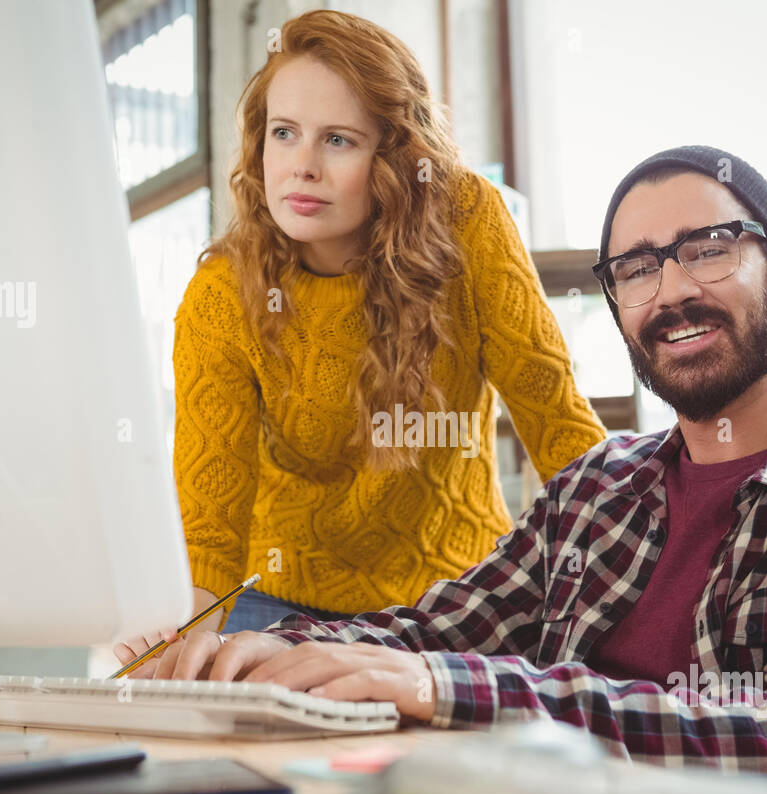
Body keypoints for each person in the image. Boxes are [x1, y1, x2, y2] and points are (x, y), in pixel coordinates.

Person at [120, 145, 767, 794]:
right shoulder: (599, 490)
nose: (670, 289)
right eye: (636, 270)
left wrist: (452, 690)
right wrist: (260, 653)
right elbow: (438, 632)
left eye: (708, 250)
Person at [119, 9, 605, 648]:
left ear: (395, 155)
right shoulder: (222, 295)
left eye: (339, 140)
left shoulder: (467, 222)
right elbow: (209, 537)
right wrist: (175, 648)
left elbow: (558, 427)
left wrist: (633, 592)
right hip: (278, 608)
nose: (302, 166)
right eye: (284, 133)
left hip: (460, 597)